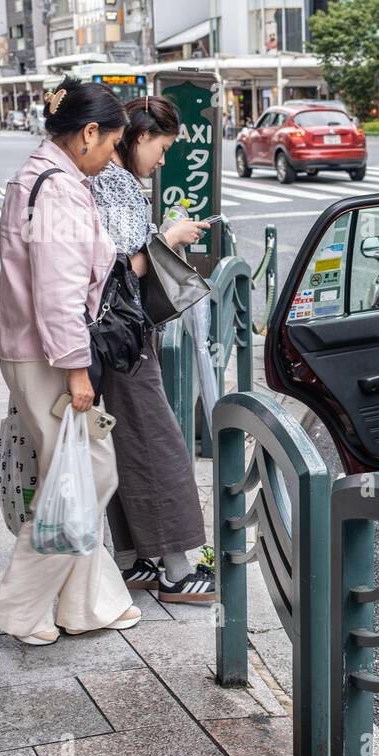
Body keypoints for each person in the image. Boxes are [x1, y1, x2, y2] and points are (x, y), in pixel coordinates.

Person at [0, 79, 140, 646]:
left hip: (35, 348)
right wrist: (76, 368)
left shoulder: (43, 174)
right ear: (88, 133)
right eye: (112, 143)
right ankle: (15, 601)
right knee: (86, 477)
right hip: (49, 356)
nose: (113, 156)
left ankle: (88, 601)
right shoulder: (58, 189)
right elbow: (58, 289)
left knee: (71, 473)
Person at [90, 95, 215, 603]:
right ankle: (177, 571)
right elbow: (124, 270)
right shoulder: (115, 181)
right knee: (157, 440)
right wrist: (169, 236)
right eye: (161, 148)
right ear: (139, 136)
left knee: (126, 439)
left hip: (104, 332)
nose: (163, 160)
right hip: (122, 331)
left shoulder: (106, 177)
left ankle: (139, 559)